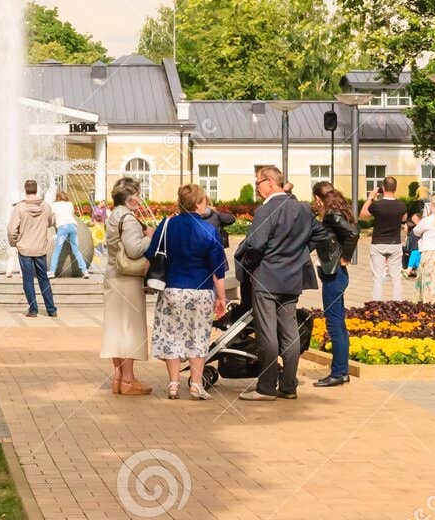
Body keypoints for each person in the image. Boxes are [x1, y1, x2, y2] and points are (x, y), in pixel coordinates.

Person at [237, 165, 328, 402]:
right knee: (289, 333)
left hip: (266, 278)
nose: (256, 188)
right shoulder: (301, 208)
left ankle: (266, 387)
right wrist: (298, 254)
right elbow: (320, 235)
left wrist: (252, 264)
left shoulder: (265, 211)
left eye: (257, 183)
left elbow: (255, 245)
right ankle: (288, 385)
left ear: (269, 183)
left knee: (267, 334)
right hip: (291, 279)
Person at [148, 184, 228, 400]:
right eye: (205, 201)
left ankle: (173, 384)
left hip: (171, 288)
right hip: (200, 291)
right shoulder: (209, 230)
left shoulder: (166, 225)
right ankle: (195, 384)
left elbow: (150, 254)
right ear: (198, 203)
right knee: (198, 337)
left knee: (171, 335)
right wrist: (222, 298)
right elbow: (217, 270)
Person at [100, 177, 151, 395]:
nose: (140, 198)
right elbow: (134, 250)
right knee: (129, 329)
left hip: (113, 276)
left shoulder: (113, 216)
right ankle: (129, 380)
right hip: (128, 279)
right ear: (130, 197)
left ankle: (118, 377)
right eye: (138, 194)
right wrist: (149, 237)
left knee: (115, 328)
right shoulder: (128, 219)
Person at [312, 183, 357, 388]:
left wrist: (346, 257)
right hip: (334, 273)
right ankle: (342, 371)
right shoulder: (335, 212)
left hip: (335, 274)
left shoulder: (331, 215)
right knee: (339, 323)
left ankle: (338, 372)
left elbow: (353, 233)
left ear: (319, 198)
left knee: (334, 324)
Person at [7, 179, 58, 318]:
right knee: (44, 279)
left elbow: (12, 229)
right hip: (40, 248)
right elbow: (51, 222)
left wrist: (14, 242)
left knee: (28, 279)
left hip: (25, 248)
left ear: (25, 190)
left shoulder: (19, 208)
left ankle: (33, 310)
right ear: (37, 190)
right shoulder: (46, 206)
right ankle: (51, 309)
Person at [361, 176, 407, 301]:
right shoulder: (401, 205)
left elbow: (363, 215)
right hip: (395, 243)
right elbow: (404, 219)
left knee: (377, 277)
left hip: (378, 243)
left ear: (383, 188)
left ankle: (377, 305)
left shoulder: (377, 205)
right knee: (396, 277)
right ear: (395, 188)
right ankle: (397, 304)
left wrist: (371, 197)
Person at [47, 189, 88, 278]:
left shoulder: (54, 205)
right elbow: (71, 215)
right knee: (76, 250)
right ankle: (85, 271)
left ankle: (52, 271)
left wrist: (51, 225)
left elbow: (53, 218)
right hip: (73, 226)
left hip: (62, 227)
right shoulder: (69, 204)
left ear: (57, 197)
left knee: (57, 250)